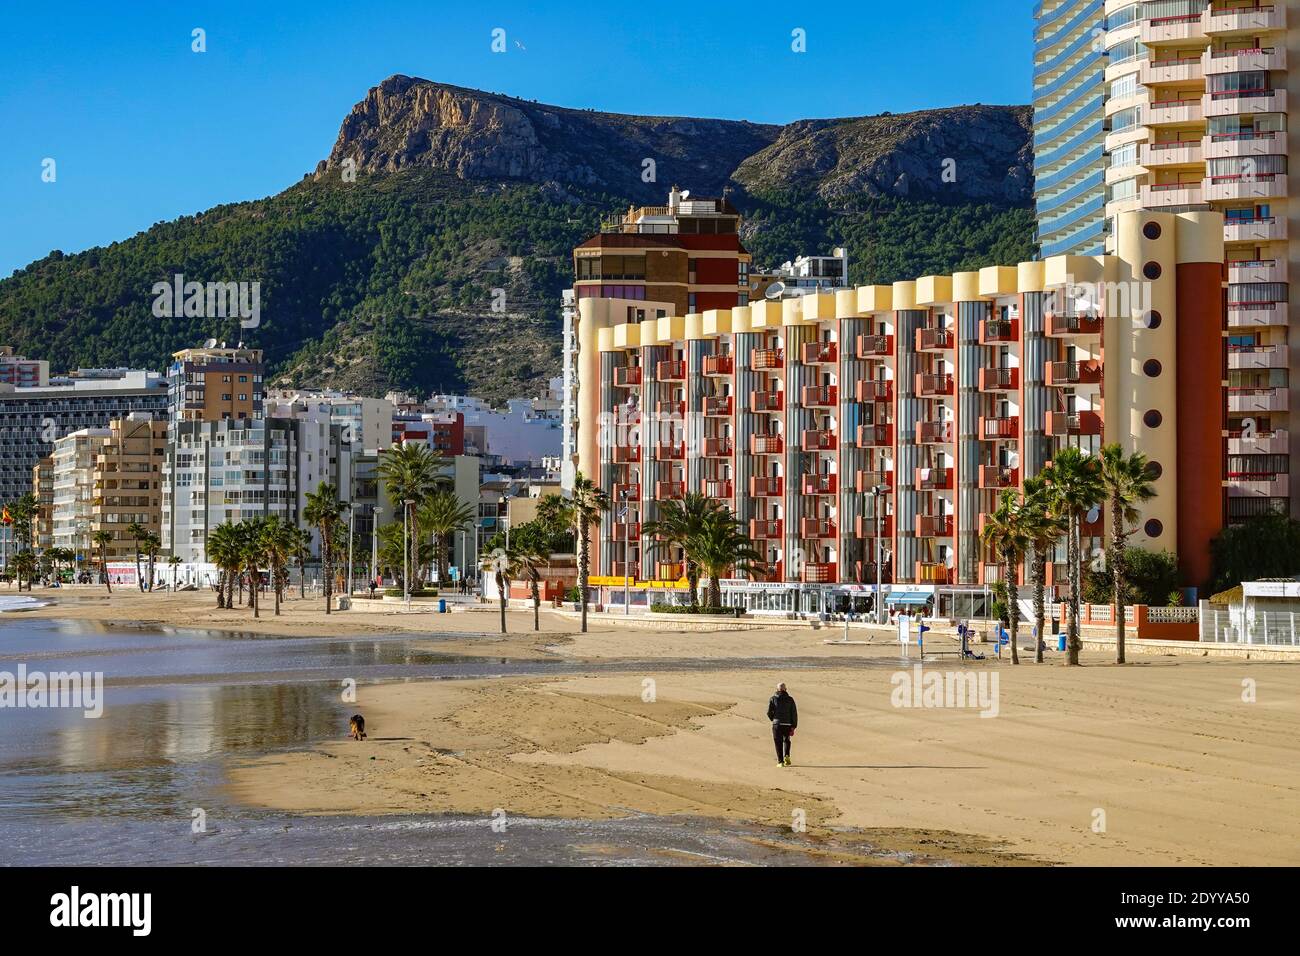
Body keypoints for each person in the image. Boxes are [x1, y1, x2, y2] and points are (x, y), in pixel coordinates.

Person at [766, 682, 798, 767]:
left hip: (777, 724)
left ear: (777, 690)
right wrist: (794, 726)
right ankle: (787, 756)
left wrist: (773, 719)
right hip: (787, 724)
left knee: (778, 742)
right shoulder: (790, 699)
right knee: (786, 740)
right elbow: (794, 713)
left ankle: (780, 762)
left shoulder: (773, 698)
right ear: (785, 689)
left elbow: (769, 712)